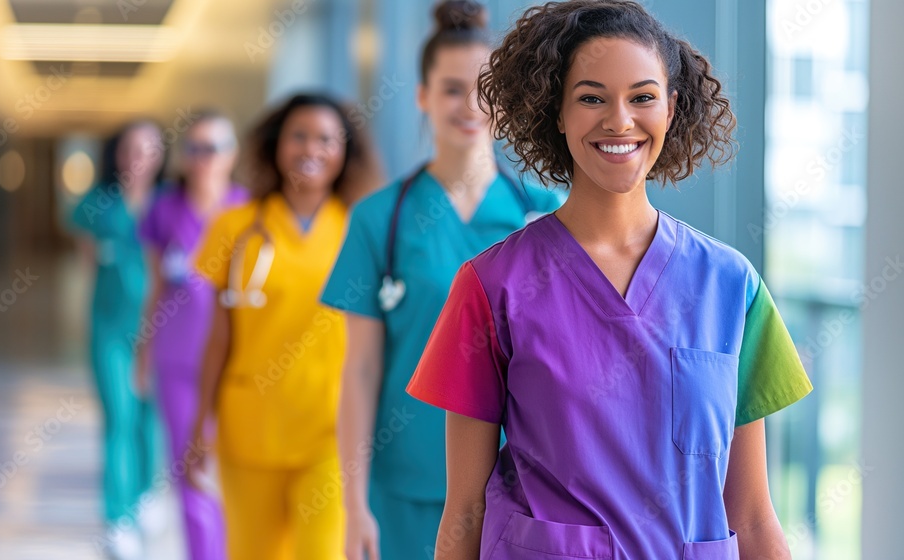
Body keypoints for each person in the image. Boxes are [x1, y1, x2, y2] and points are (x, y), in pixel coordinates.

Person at [406, 1, 815, 558]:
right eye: (592, 97)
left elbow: (753, 516)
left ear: (671, 108)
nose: (619, 121)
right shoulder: (493, 285)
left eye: (642, 97)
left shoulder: (731, 286)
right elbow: (465, 511)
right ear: (558, 110)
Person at [319, 2, 563, 559]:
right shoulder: (379, 219)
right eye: (451, 89)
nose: (470, 105)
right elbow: (359, 371)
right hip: (406, 483)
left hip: (523, 485)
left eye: (484, 89)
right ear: (422, 96)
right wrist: (354, 504)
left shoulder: (546, 217)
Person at [189, 93, 382, 559]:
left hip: (330, 435)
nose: (310, 149)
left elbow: (377, 344)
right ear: (277, 144)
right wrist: (200, 424)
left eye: (325, 139)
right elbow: (219, 336)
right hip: (249, 430)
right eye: (298, 135)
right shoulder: (234, 227)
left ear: (345, 152)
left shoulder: (364, 228)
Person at [136, 110, 248, 560]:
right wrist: (143, 351)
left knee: (237, 470)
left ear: (232, 154)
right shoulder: (164, 210)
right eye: (194, 149)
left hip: (241, 363)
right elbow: (155, 287)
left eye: (214, 148)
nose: (203, 159)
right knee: (190, 468)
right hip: (178, 361)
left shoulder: (249, 211)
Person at [69, 120, 166, 560]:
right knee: (119, 417)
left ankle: (145, 494)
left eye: (148, 149)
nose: (137, 159)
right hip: (111, 329)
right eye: (129, 149)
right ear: (116, 154)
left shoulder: (168, 204)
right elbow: (87, 259)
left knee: (151, 417)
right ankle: (118, 517)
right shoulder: (97, 204)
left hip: (162, 329)